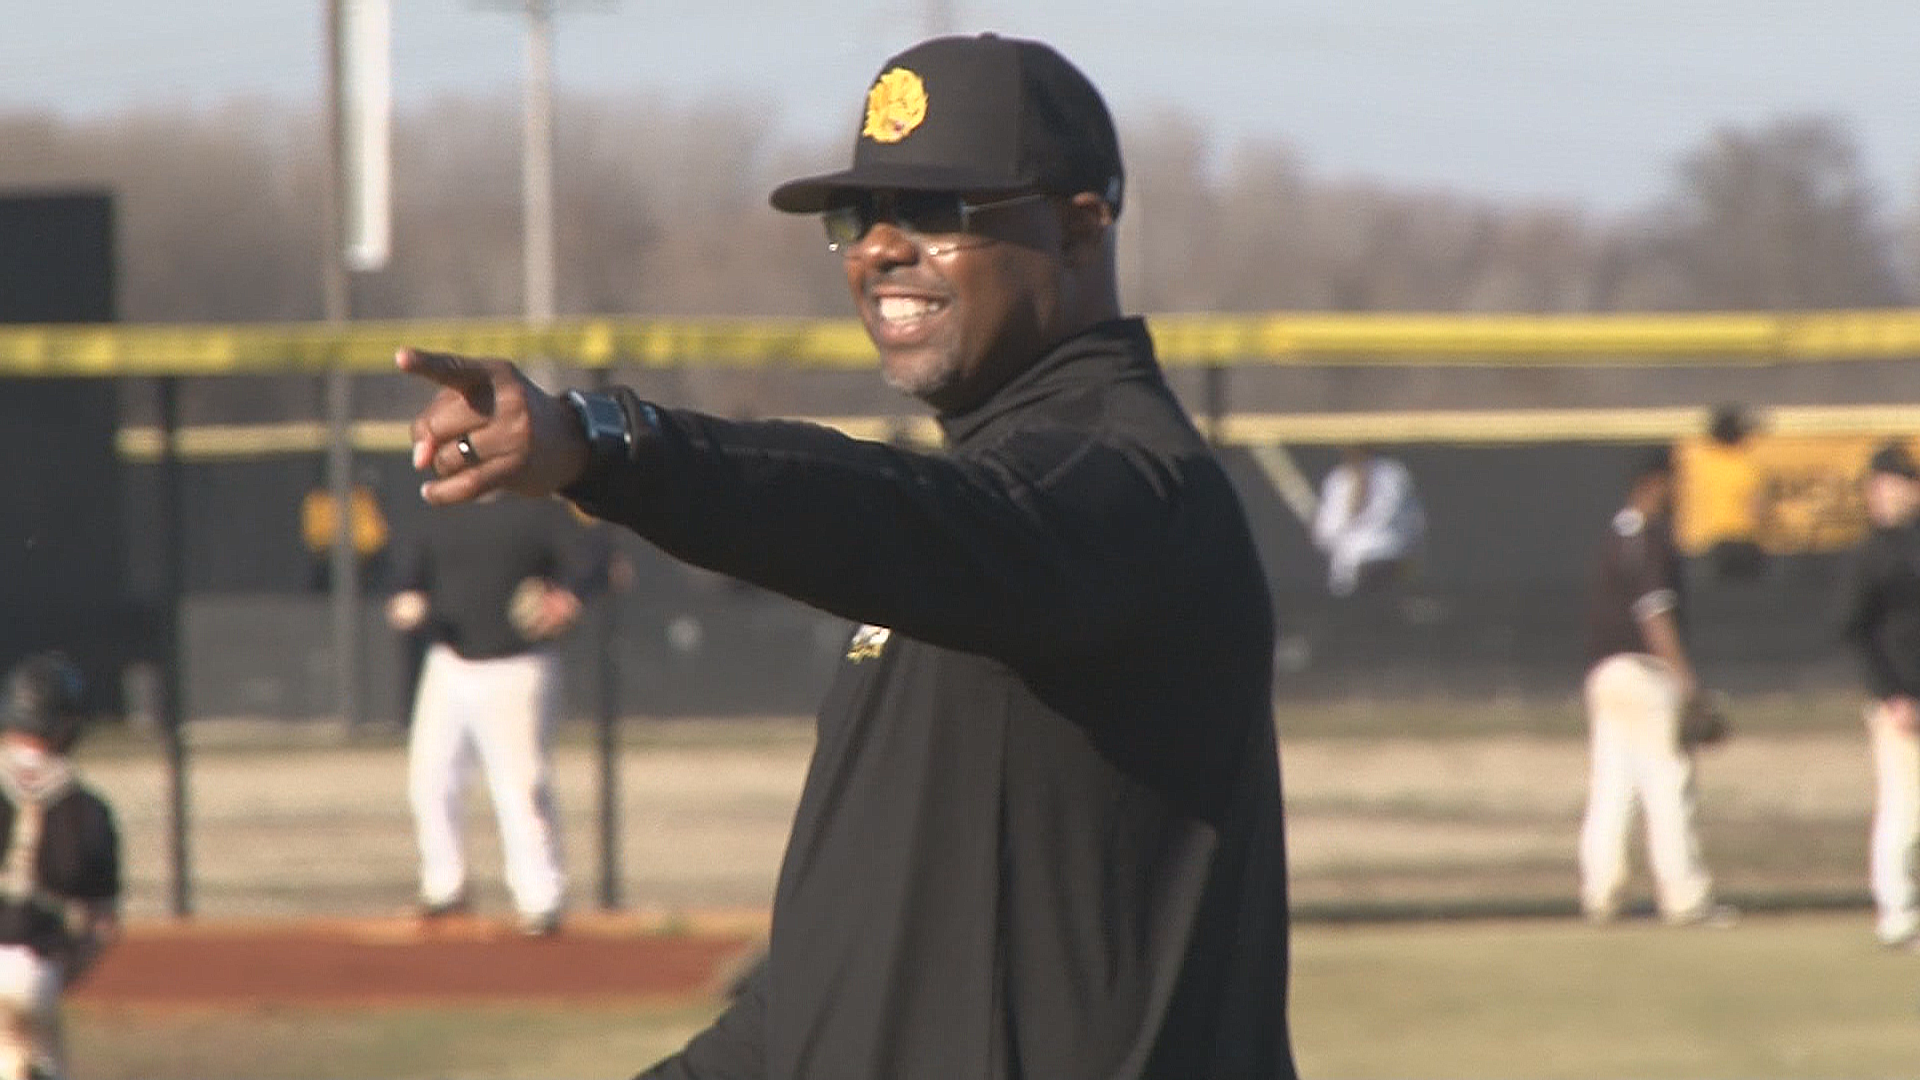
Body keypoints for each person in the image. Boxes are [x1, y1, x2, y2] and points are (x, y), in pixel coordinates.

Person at [394, 32, 1296, 1079]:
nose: (877, 249)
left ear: (1080, 228)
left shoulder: (1129, 487)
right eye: (856, 218)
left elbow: (909, 517)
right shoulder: (981, 520)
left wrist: (603, 443)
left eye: (937, 213)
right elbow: (836, 983)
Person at [385, 494, 606, 937]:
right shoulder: (439, 508)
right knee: (431, 777)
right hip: (449, 660)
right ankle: (444, 887)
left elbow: (594, 564)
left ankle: (540, 898)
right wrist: (409, 599)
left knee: (520, 784)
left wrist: (568, 598)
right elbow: (409, 575)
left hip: (518, 663)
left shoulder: (538, 509)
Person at [1577, 448, 1734, 928]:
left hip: (1605, 674)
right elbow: (1655, 614)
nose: (1679, 491)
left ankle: (1602, 895)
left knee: (1612, 789)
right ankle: (1684, 897)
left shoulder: (1614, 535)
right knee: (1668, 783)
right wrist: (1688, 686)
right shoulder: (1652, 537)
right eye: (1673, 481)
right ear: (1652, 483)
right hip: (1646, 675)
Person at [0, 654, 120, 1080]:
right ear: (65, 726)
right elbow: (101, 923)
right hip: (35, 970)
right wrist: (60, 975)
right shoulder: (85, 807)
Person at [1836, 440, 1920, 947]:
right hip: (1899, 702)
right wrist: (1890, 694)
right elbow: (1853, 630)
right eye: (1890, 483)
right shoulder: (1873, 555)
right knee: (1904, 806)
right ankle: (1896, 909)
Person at [1310, 444, 1426, 599]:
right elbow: (1416, 525)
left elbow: (1324, 535)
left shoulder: (1393, 475)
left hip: (1381, 565)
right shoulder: (1338, 481)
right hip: (1364, 571)